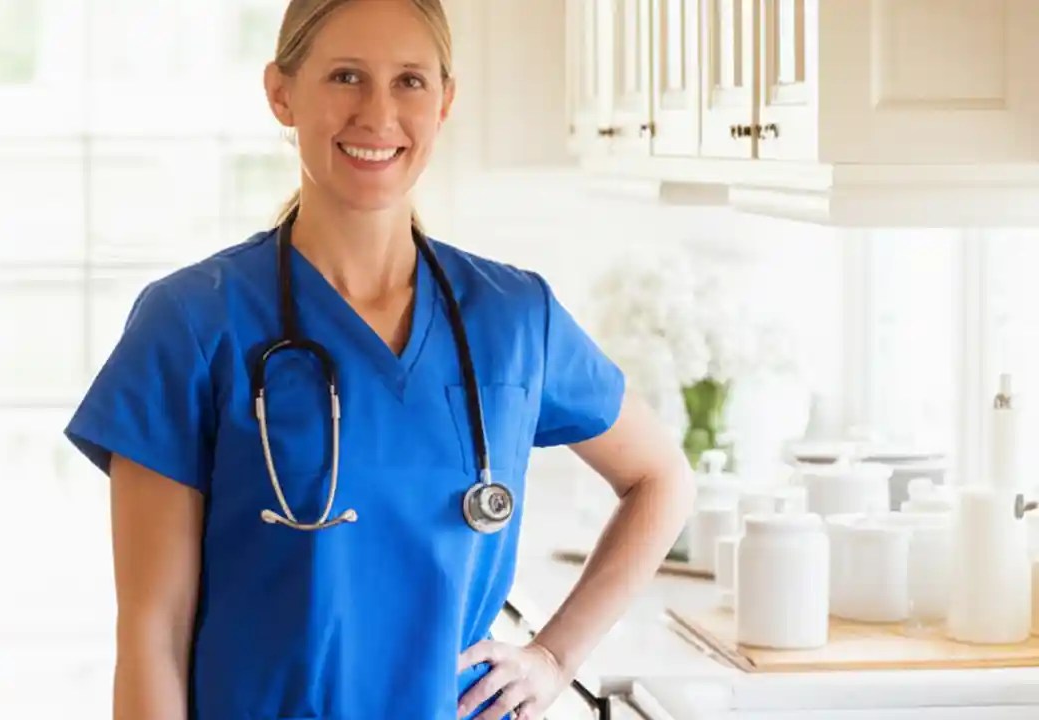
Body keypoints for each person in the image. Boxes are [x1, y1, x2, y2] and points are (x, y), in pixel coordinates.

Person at [63, 0, 694, 718]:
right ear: (281, 93)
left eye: (410, 82)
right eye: (344, 76)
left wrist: (555, 655)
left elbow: (660, 478)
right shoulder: (190, 324)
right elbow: (152, 633)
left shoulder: (515, 318)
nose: (377, 113)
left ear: (446, 101)